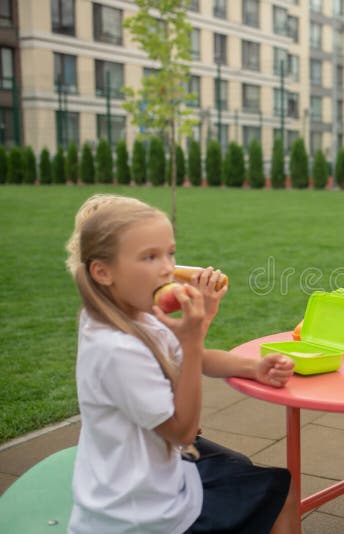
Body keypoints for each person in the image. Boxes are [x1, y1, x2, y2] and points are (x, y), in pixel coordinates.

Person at [66, 194, 300, 534]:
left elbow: (193, 357)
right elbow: (184, 431)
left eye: (169, 253)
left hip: (154, 477)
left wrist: (254, 368)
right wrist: (193, 340)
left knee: (239, 466)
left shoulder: (138, 313)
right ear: (102, 271)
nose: (167, 268)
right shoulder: (116, 349)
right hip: (139, 515)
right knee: (283, 491)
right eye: (149, 256)